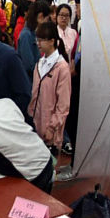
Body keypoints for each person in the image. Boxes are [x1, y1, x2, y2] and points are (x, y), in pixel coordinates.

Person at [28, 21, 71, 151]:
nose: (38, 43)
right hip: (34, 128)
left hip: (50, 134)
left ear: (52, 41)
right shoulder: (39, 64)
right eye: (37, 39)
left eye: (41, 40)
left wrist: (52, 127)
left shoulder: (62, 68)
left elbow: (63, 105)